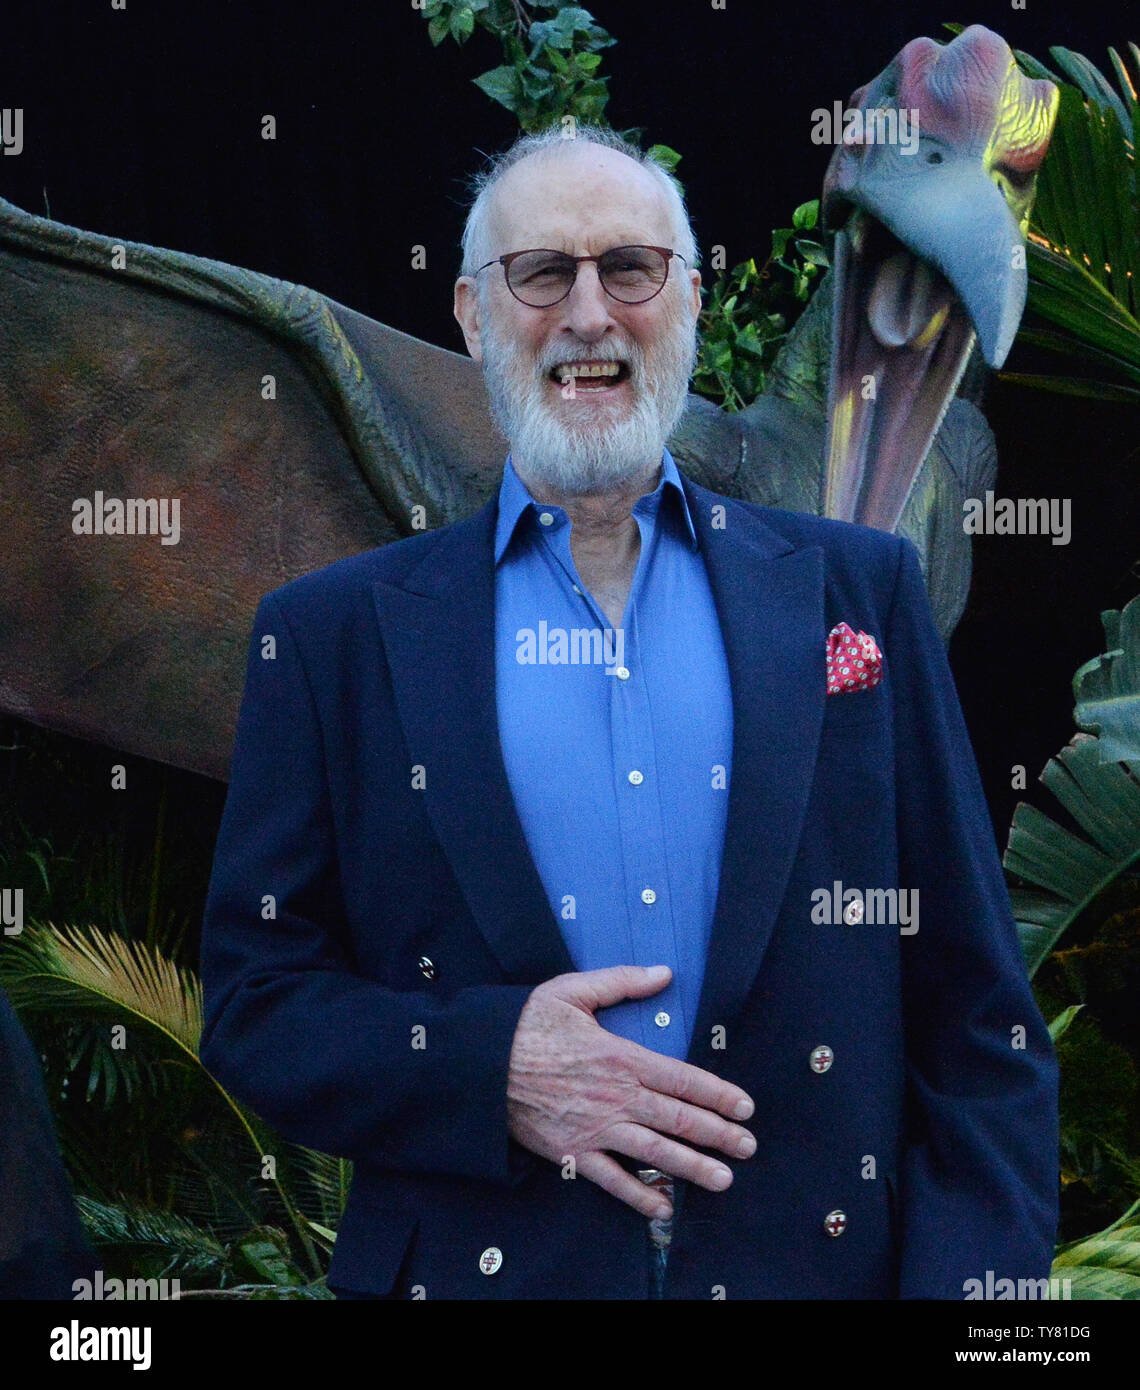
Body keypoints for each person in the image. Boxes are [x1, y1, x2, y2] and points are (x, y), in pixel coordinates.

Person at [199, 124, 1059, 1300]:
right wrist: (488, 1064)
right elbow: (256, 1001)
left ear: (690, 299)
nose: (589, 314)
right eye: (543, 273)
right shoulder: (333, 635)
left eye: (631, 269)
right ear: (471, 312)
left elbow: (979, 1024)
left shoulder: (858, 593)